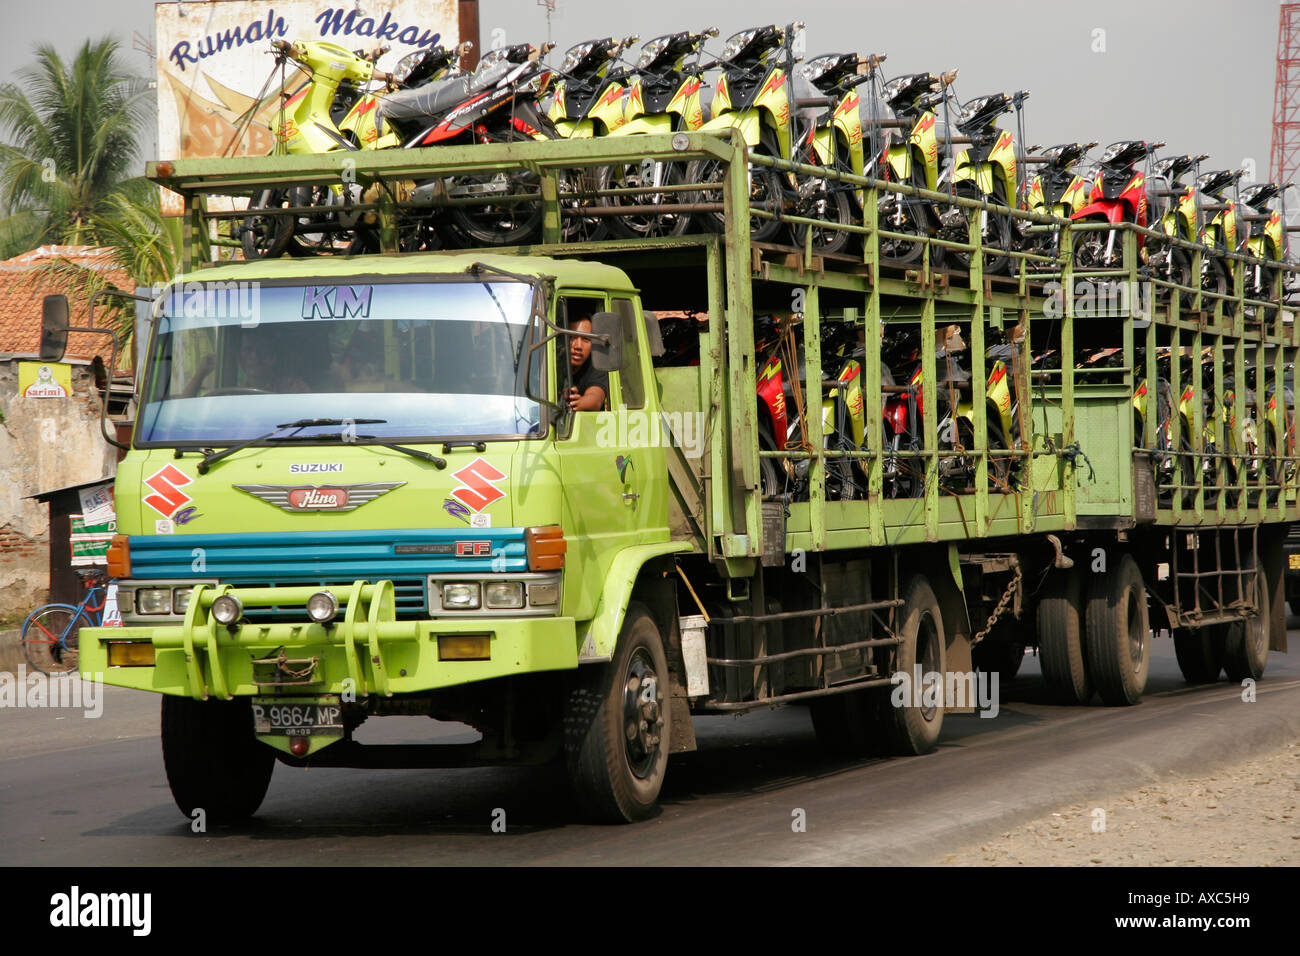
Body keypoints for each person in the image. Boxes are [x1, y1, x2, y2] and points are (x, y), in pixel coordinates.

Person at [567, 316, 608, 411]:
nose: (578, 346)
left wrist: (578, 402)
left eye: (586, 339)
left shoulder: (597, 365)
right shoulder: (550, 364)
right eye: (572, 338)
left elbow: (596, 399)